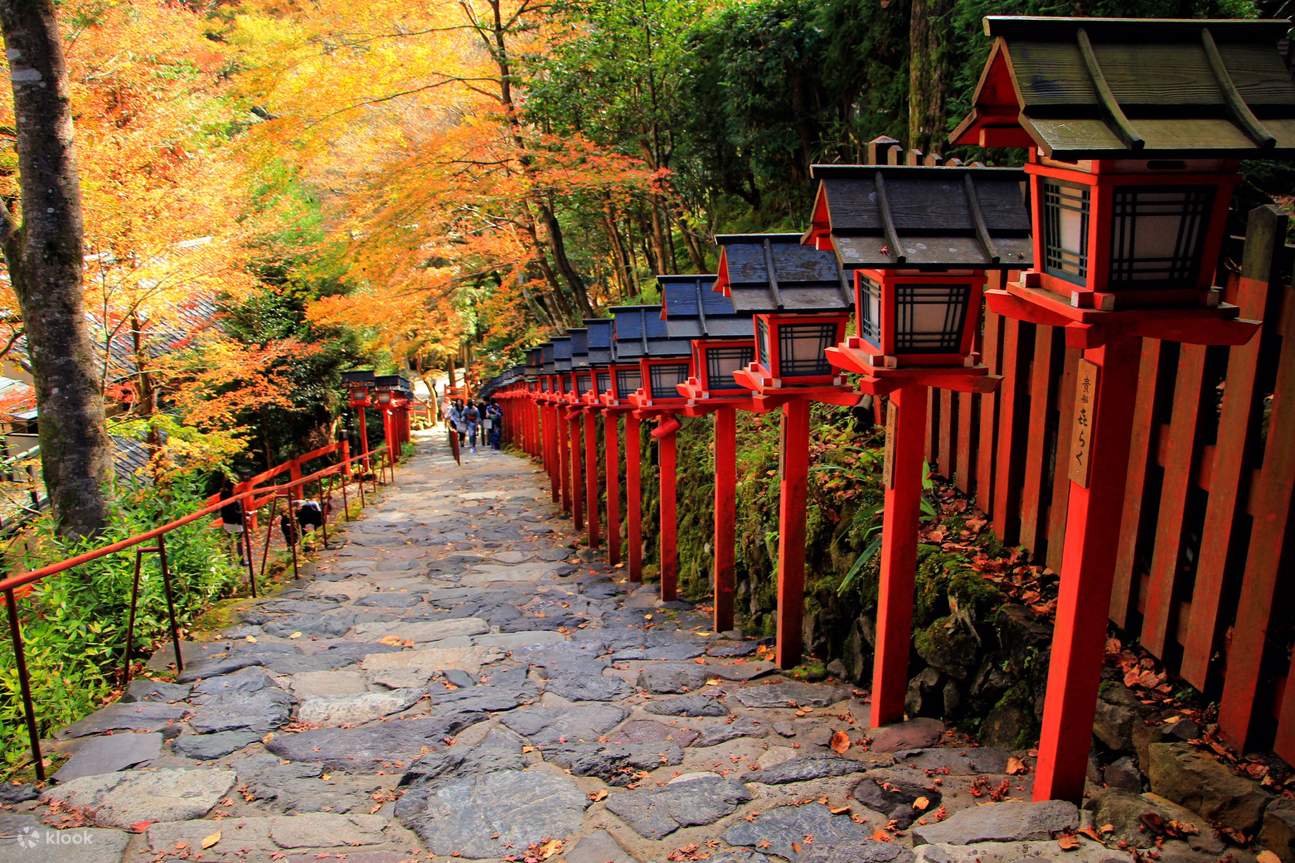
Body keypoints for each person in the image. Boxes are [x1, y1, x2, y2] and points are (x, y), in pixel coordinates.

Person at [218, 477, 246, 563]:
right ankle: (241, 561)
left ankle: (229, 560)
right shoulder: (232, 498)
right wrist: (244, 515)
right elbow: (236, 512)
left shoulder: (222, 495)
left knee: (229, 541)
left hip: (227, 521)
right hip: (236, 522)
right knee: (239, 542)